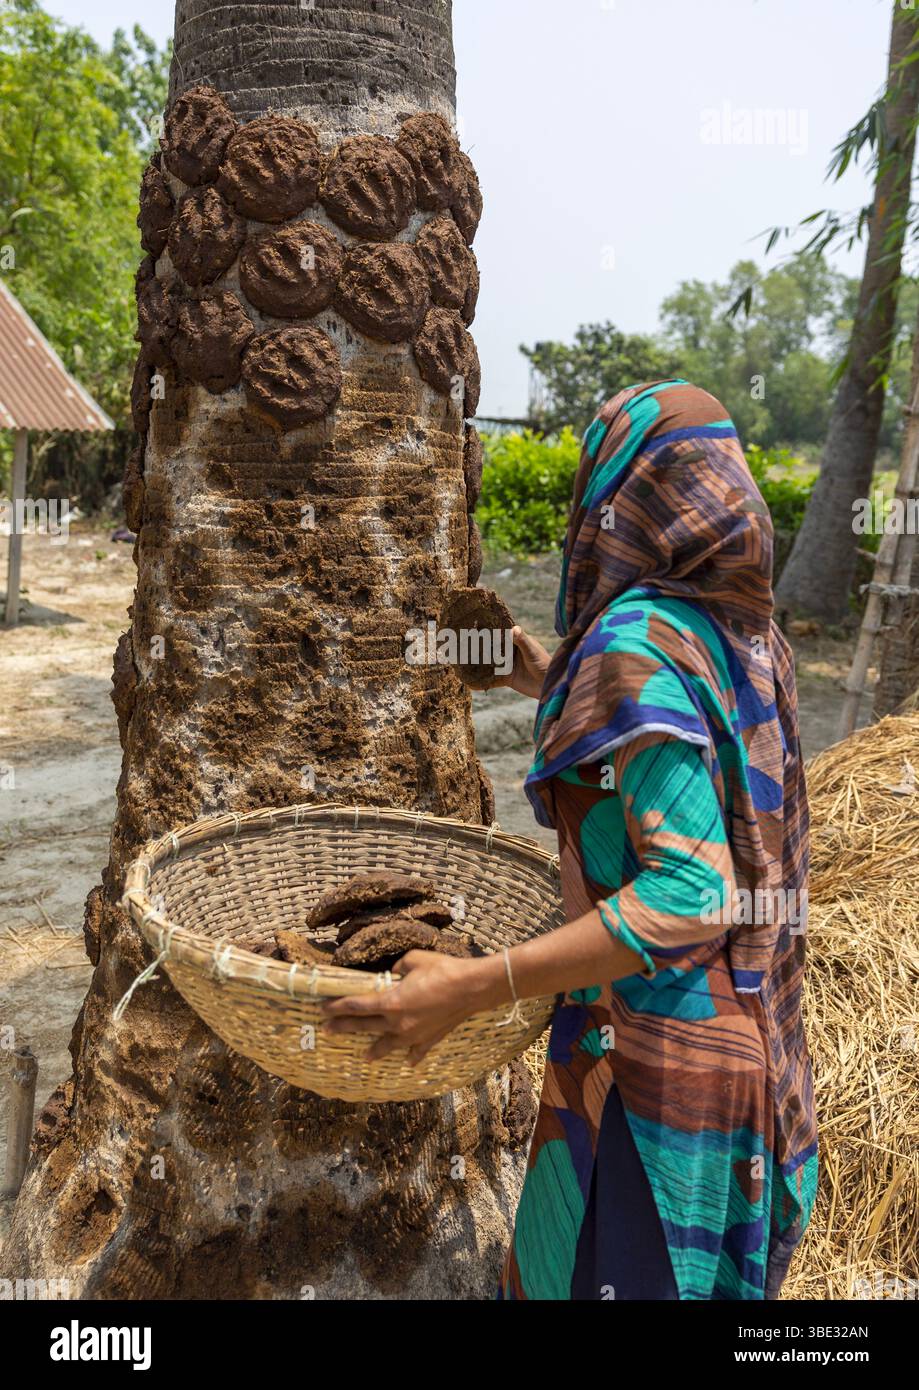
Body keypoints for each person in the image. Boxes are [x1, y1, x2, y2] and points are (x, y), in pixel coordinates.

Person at [325, 380, 818, 1301]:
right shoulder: (748, 638)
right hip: (750, 1064)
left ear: (613, 498)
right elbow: (682, 760)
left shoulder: (633, 643)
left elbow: (689, 892)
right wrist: (550, 678)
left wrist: (470, 987)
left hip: (648, 1075)